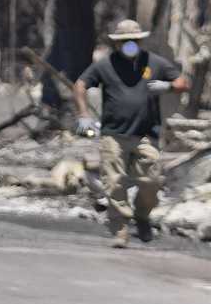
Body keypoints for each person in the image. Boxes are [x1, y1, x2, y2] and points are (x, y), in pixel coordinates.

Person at [74, 19, 190, 248]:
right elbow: (80, 85)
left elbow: (183, 82)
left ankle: (142, 216)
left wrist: (168, 87)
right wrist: (84, 116)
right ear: (117, 43)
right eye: (125, 41)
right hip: (113, 134)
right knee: (114, 183)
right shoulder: (105, 65)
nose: (130, 44)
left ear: (140, 41)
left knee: (152, 181)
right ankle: (121, 230)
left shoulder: (154, 63)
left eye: (134, 41)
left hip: (146, 134)